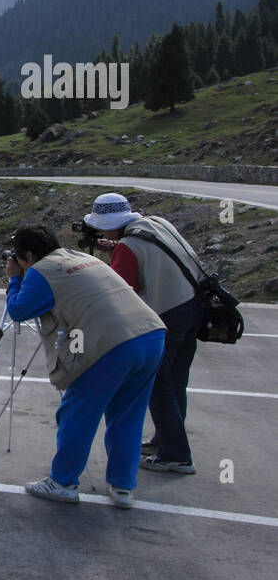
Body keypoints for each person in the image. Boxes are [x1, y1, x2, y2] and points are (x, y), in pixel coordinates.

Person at [5, 226, 165, 508]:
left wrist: (14, 280)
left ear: (28, 255)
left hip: (110, 344)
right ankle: (123, 487)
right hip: (150, 335)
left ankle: (63, 481)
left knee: (78, 412)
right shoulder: (77, 256)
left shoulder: (41, 270)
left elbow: (19, 311)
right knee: (128, 415)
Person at [87, 193, 204, 475]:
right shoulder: (156, 224)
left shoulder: (128, 246)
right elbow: (155, 256)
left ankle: (175, 454)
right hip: (195, 305)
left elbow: (120, 292)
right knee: (176, 379)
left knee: (157, 382)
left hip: (168, 313)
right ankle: (166, 439)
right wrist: (116, 248)